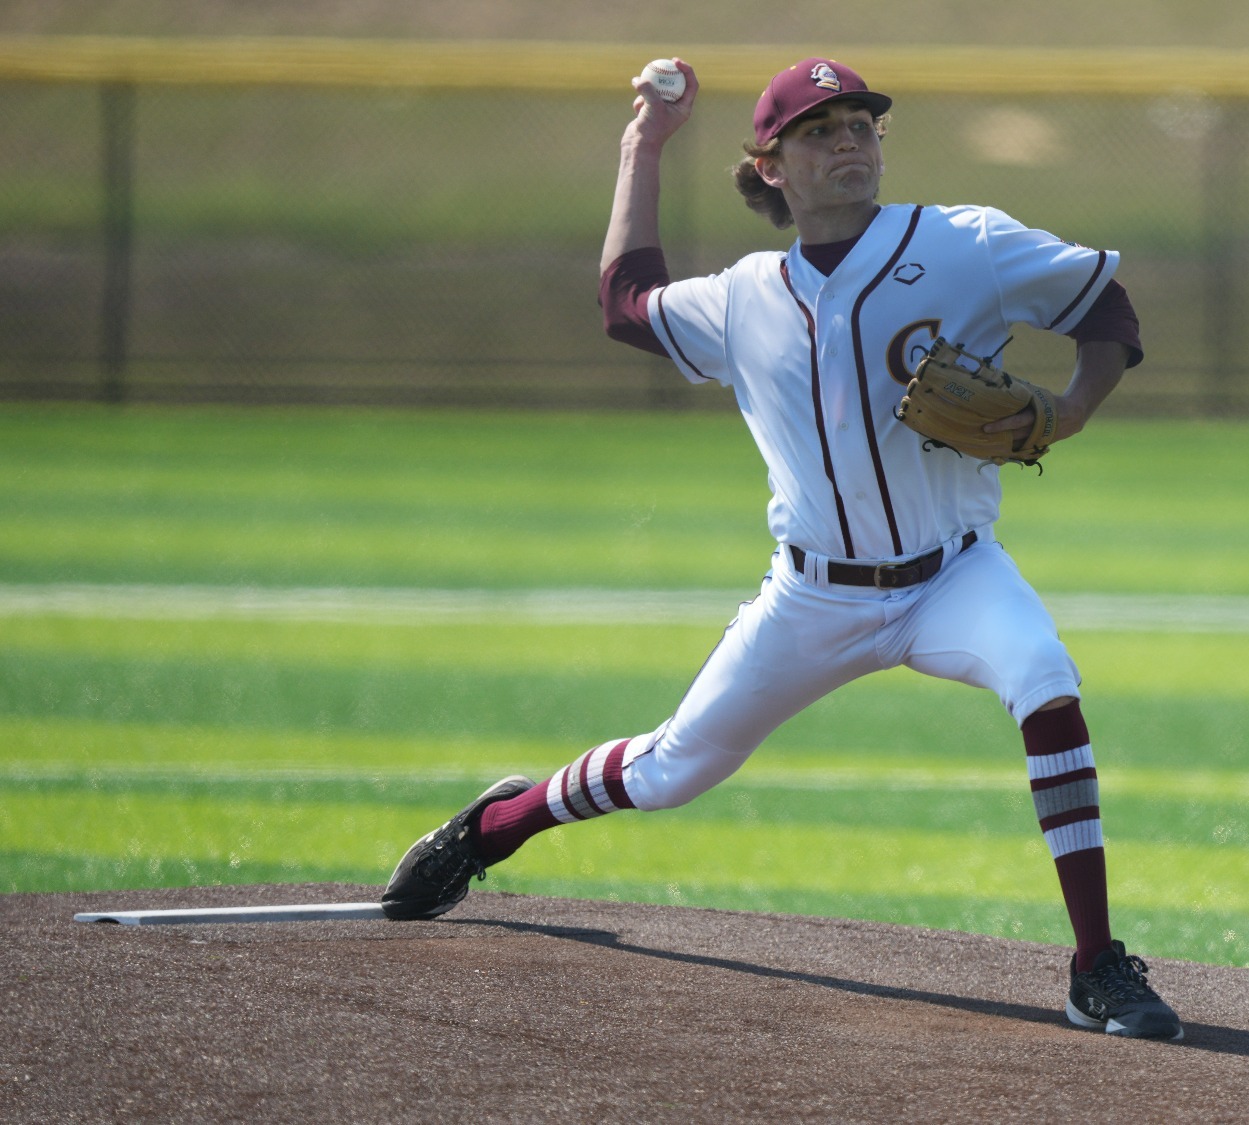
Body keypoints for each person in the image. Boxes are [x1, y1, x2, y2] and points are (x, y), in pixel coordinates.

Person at [381, 56, 1181, 1040]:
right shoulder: (741, 297)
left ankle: (1095, 964)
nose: (847, 142)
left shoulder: (963, 243)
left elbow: (1103, 303)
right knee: (671, 771)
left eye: (860, 125)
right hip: (811, 600)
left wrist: (1067, 412)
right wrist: (644, 144)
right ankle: (493, 827)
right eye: (818, 131)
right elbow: (624, 301)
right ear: (769, 167)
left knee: (1044, 678)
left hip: (953, 577)